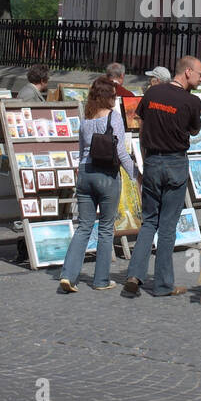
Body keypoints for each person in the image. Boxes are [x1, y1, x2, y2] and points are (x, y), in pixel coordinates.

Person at [122, 55, 201, 298]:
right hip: (176, 162)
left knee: (149, 222)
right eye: (200, 73)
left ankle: (134, 276)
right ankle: (162, 285)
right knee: (167, 227)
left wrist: (147, 157)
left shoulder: (152, 94)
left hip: (153, 161)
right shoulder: (192, 102)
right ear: (187, 72)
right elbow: (194, 129)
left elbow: (142, 126)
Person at [57, 77, 139, 293]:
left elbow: (81, 149)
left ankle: (67, 275)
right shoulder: (114, 117)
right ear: (109, 96)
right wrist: (135, 174)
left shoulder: (86, 119)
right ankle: (101, 280)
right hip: (106, 175)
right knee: (105, 228)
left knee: (83, 226)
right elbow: (120, 150)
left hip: (85, 173)